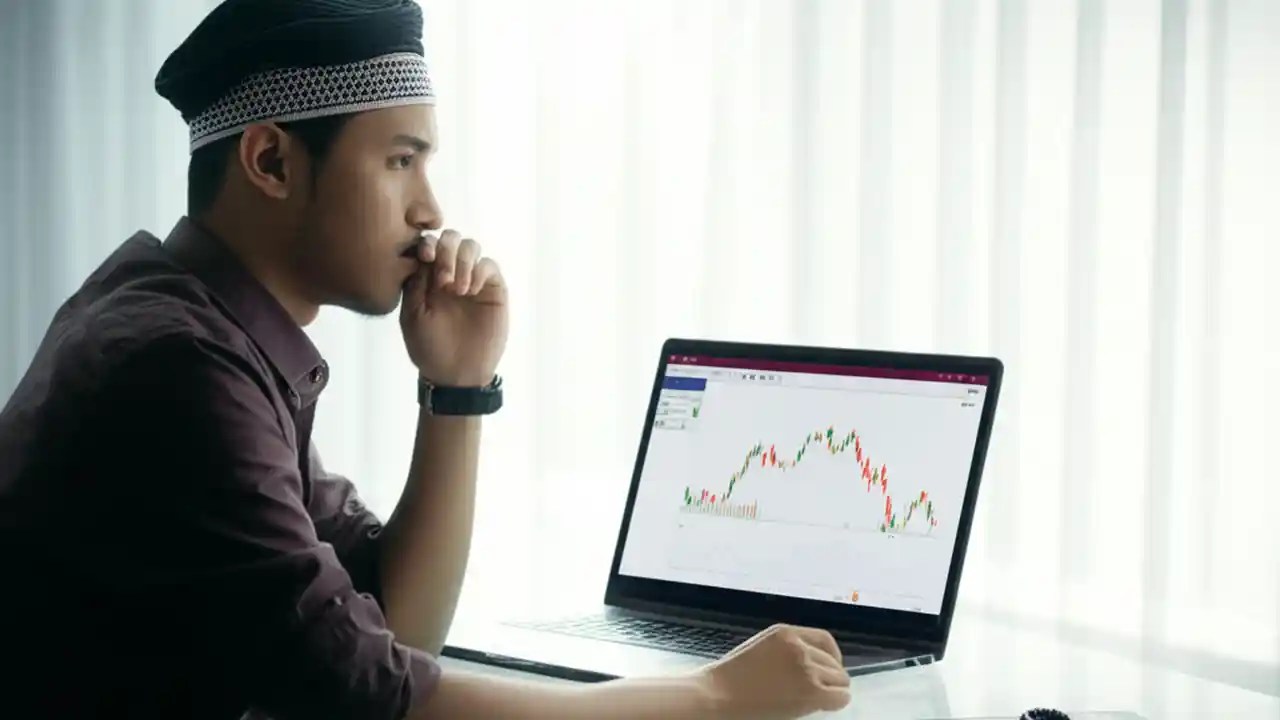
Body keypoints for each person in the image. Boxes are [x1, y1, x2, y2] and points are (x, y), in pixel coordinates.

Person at [0, 1, 853, 718]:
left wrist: (459, 390)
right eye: (400, 160)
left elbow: (394, 628)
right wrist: (711, 696)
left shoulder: (202, 328)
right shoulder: (178, 367)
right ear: (270, 161)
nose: (430, 207)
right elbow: (371, 697)